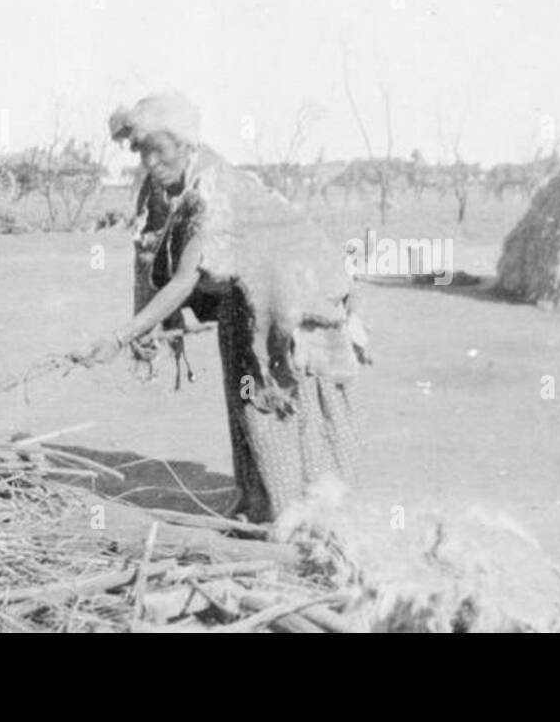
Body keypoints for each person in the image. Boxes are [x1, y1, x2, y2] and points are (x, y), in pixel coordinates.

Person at [77, 93, 370, 523]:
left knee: (278, 395)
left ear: (185, 145)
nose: (150, 162)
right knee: (243, 395)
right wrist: (148, 327)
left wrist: (122, 337)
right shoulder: (163, 186)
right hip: (244, 296)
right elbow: (149, 256)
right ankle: (255, 498)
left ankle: (300, 511)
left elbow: (184, 280)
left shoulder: (213, 189)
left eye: (159, 150)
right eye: (143, 152)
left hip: (294, 295)